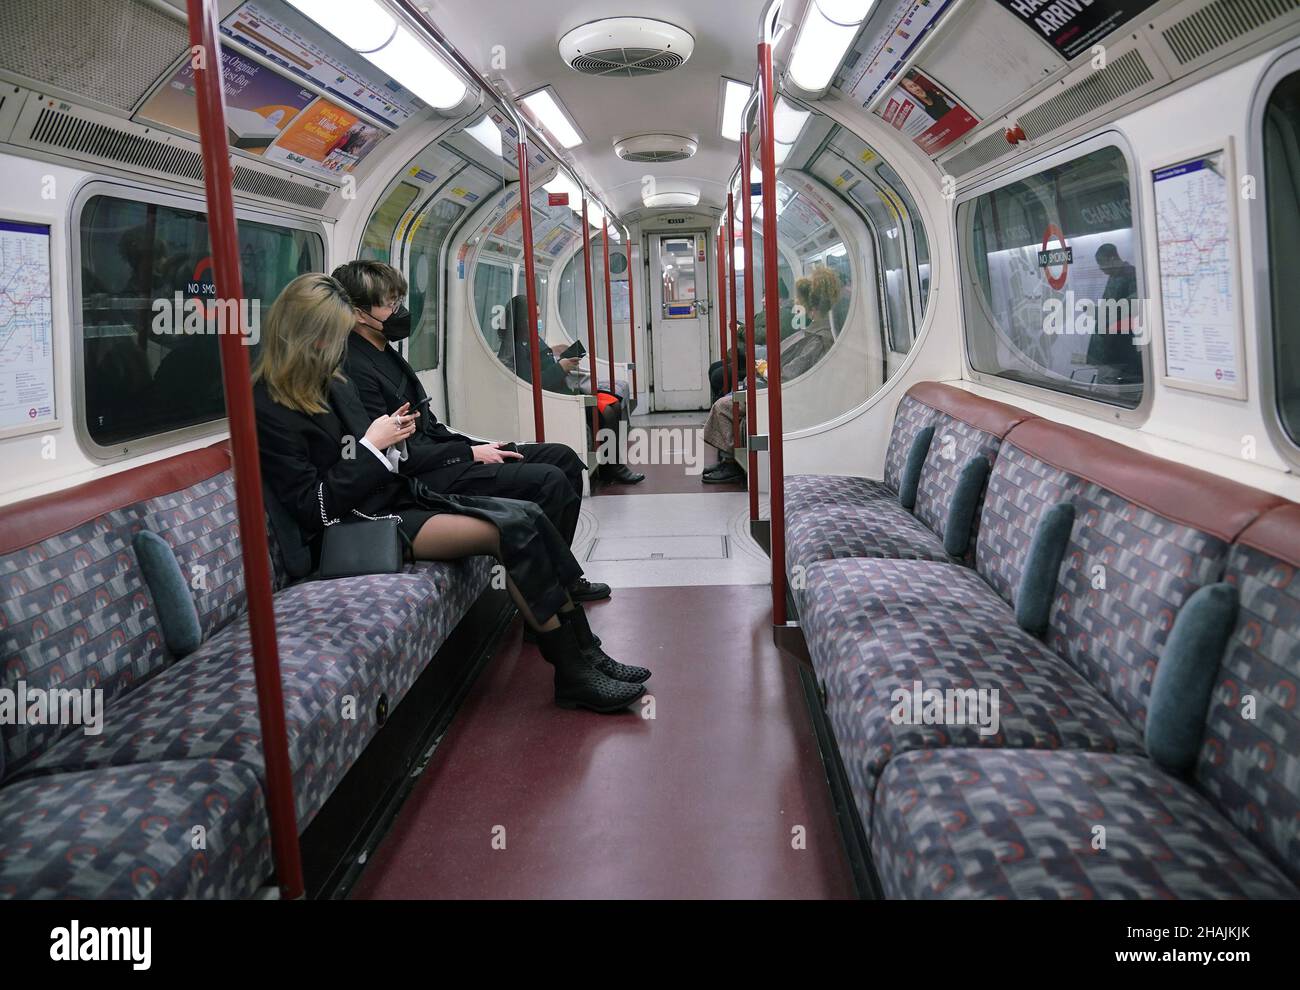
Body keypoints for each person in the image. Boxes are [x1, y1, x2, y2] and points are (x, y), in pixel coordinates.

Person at [253, 273, 650, 713]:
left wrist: (396, 442)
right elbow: (315, 509)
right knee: (509, 528)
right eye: (330, 337)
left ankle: (586, 651)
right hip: (350, 529)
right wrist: (372, 446)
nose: (337, 348)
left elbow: (385, 459)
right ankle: (573, 671)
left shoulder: (330, 382)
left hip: (390, 498)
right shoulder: (270, 406)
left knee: (527, 515)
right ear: (303, 336)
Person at [334, 261, 609, 602]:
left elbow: (429, 426)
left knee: (562, 458)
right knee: (548, 481)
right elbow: (396, 456)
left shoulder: (385, 352)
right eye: (389, 304)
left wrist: (475, 444)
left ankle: (556, 578)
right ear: (360, 314)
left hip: (442, 452)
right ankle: (550, 593)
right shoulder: (356, 368)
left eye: (398, 300)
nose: (399, 311)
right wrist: (469, 453)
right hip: (421, 477)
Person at [504, 295, 645, 486]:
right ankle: (612, 468)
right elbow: (534, 385)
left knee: (614, 404)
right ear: (521, 320)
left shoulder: (532, 340)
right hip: (551, 401)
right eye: (533, 317)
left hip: (561, 394)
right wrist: (561, 367)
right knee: (607, 411)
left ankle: (611, 466)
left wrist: (559, 356)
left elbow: (543, 366)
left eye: (538, 316)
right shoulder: (515, 347)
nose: (537, 321)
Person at [1087, 243, 1143, 384]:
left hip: (1118, 348)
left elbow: (1132, 306)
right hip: (1109, 347)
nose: (1100, 268)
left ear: (1112, 259)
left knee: (1108, 388)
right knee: (1105, 385)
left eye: (1102, 263)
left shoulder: (1130, 275)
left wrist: (1104, 312)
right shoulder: (1115, 275)